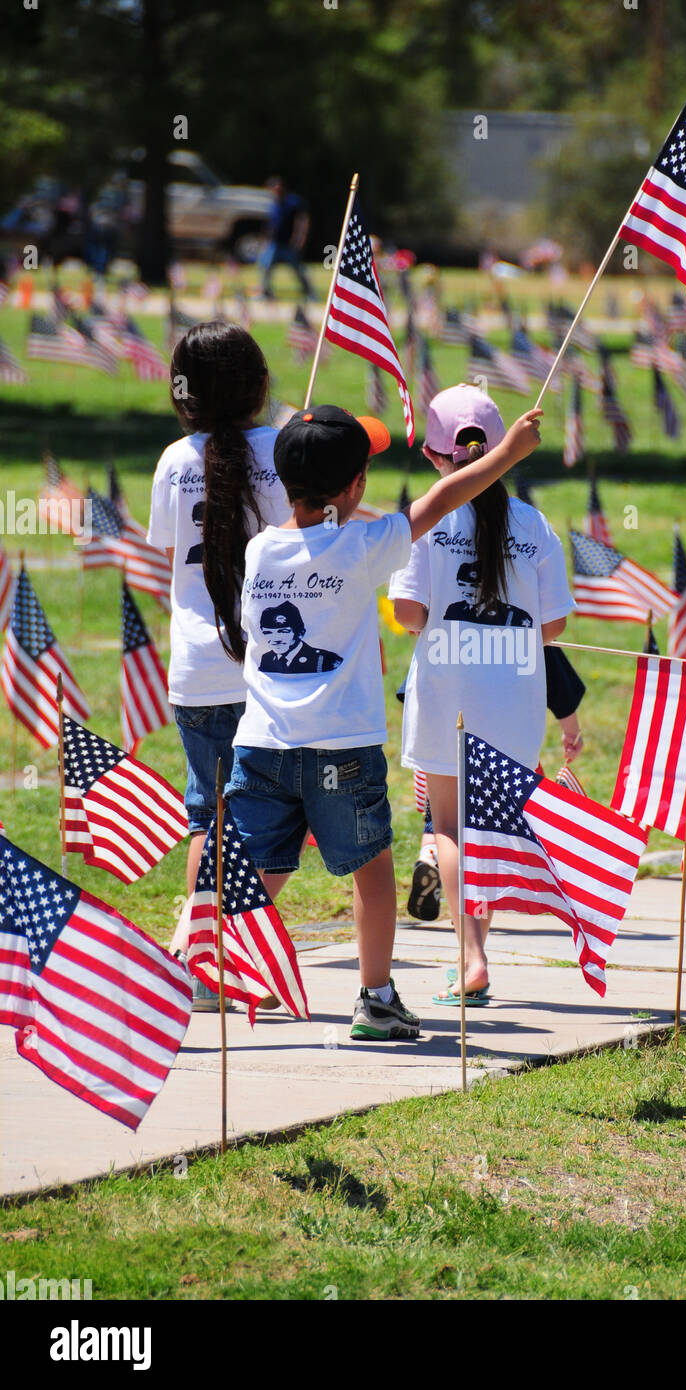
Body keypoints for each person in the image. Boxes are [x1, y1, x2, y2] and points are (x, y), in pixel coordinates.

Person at [223, 401, 543, 1041]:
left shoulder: (259, 551)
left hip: (260, 742)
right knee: (371, 870)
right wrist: (505, 455)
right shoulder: (361, 546)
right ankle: (376, 998)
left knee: (258, 868)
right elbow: (445, 498)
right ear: (355, 487)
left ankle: (214, 969)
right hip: (342, 746)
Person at [389, 384, 573, 1004]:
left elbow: (410, 614)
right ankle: (477, 954)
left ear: (436, 458)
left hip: (445, 688)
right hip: (516, 696)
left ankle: (469, 956)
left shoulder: (427, 518)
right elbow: (553, 627)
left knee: (448, 825)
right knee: (489, 828)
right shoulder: (535, 523)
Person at [147, 321, 293, 1010]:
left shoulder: (173, 460)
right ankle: (209, 950)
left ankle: (197, 955)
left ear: (183, 394)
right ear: (259, 384)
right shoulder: (284, 453)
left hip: (196, 666)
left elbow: (162, 567)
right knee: (283, 811)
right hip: (276, 667)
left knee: (209, 817)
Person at [401, 643, 585, 923]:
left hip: (443, 736)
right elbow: (559, 684)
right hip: (498, 742)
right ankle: (470, 934)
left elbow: (412, 687)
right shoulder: (522, 618)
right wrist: (571, 731)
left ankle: (430, 856)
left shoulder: (443, 617)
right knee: (479, 839)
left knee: (444, 824)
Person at [260, 176, 315, 301]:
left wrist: (300, 238)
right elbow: (270, 224)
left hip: (289, 244)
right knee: (266, 267)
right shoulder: (273, 203)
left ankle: (309, 292)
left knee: (298, 268)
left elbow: (302, 221)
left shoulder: (293, 202)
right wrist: (265, 239)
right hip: (274, 243)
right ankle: (265, 292)